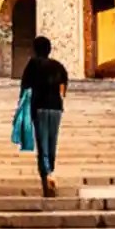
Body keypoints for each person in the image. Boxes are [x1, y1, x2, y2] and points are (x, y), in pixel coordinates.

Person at [19, 36, 68, 198]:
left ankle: (46, 176)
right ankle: (51, 172)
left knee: (43, 146)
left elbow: (25, 87)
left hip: (39, 108)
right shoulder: (58, 66)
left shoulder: (32, 65)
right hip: (55, 108)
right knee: (52, 143)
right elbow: (63, 90)